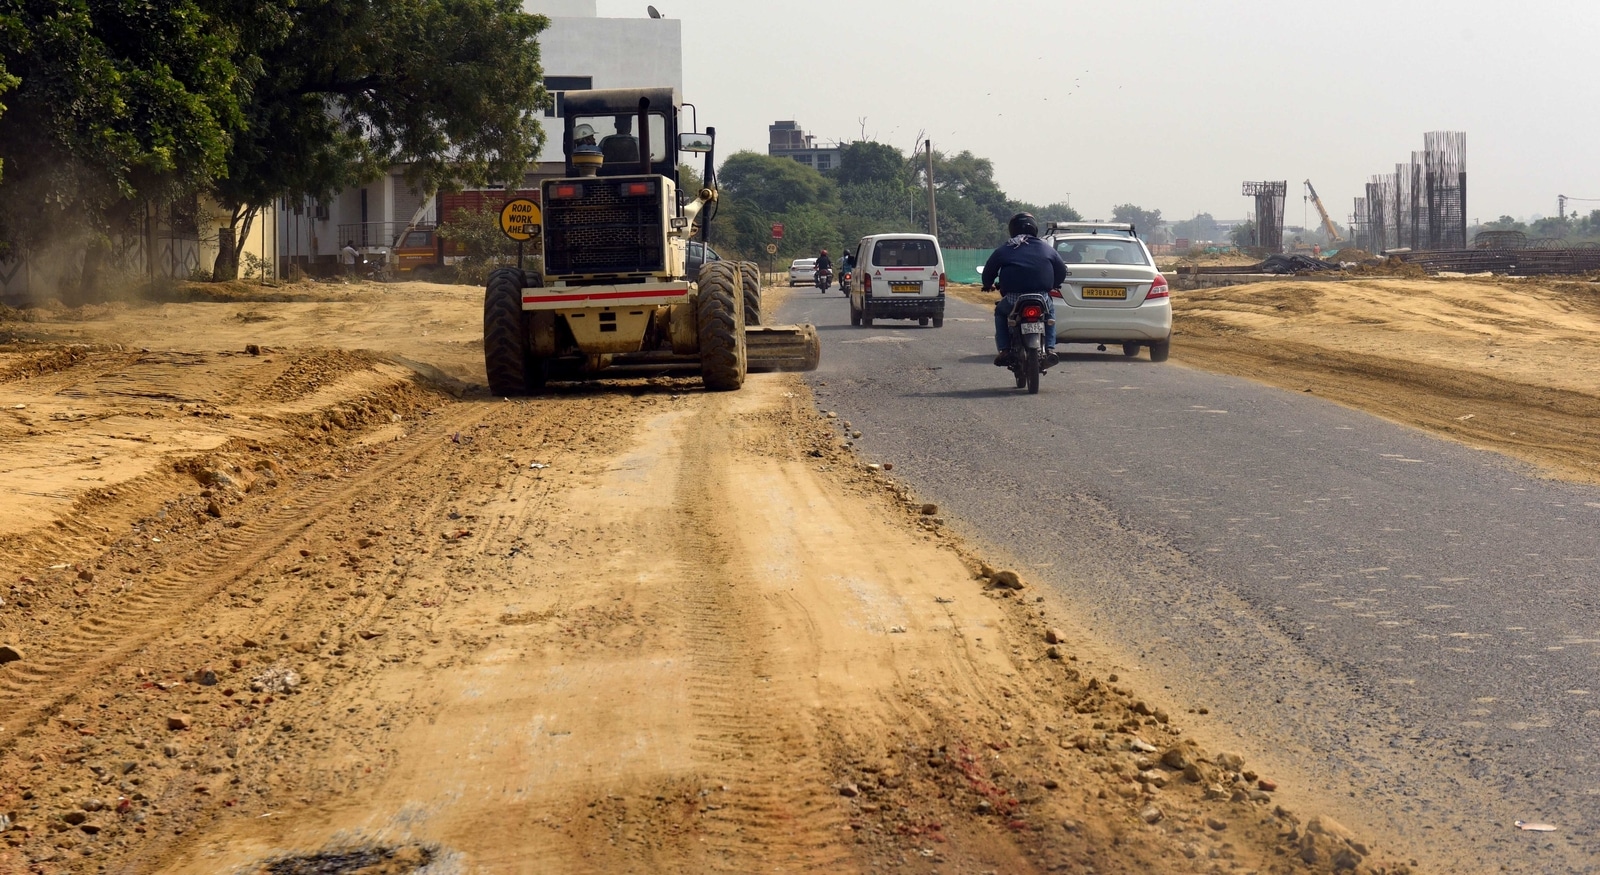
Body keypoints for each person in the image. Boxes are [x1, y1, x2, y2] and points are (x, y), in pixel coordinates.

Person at [981, 213, 1066, 367]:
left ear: (1012, 229)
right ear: (1034, 228)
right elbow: (1061, 270)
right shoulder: (1046, 248)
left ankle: (1004, 350)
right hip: (1041, 297)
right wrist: (1055, 283)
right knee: (1050, 314)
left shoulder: (1007, 248)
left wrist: (987, 284)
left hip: (1013, 299)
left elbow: (989, 270)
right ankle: (1050, 348)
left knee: (1000, 313)